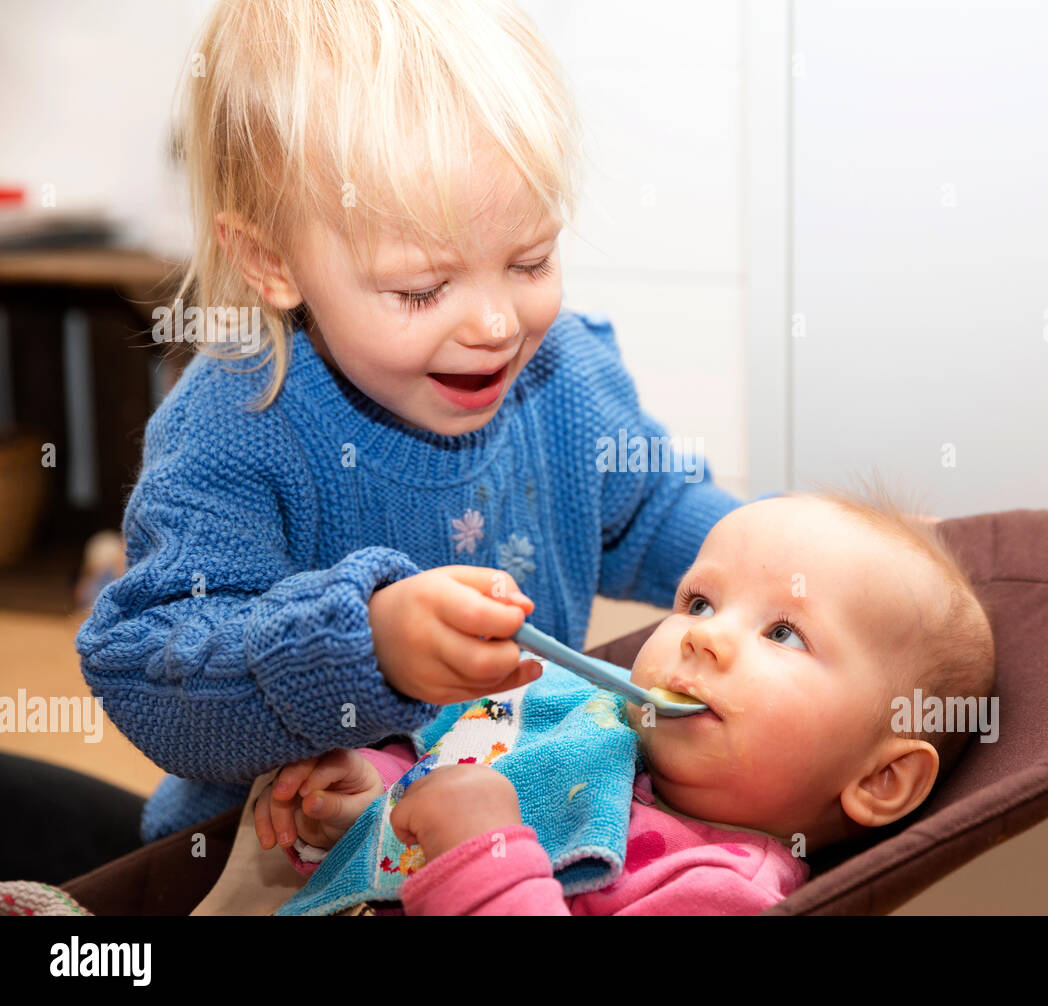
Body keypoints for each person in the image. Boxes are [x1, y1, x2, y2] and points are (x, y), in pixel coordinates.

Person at [74, 0, 742, 847]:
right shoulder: (231, 431)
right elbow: (149, 671)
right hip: (279, 872)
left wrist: (786, 558)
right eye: (423, 290)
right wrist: (364, 646)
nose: (497, 324)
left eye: (530, 260)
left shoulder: (560, 373)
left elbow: (651, 512)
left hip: (508, 835)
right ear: (269, 261)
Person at [257, 491, 997, 915]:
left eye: (784, 634)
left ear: (880, 780)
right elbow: (454, 782)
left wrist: (482, 851)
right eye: (700, 601)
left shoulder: (721, 888)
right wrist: (366, 804)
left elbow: (476, 831)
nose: (705, 639)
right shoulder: (584, 725)